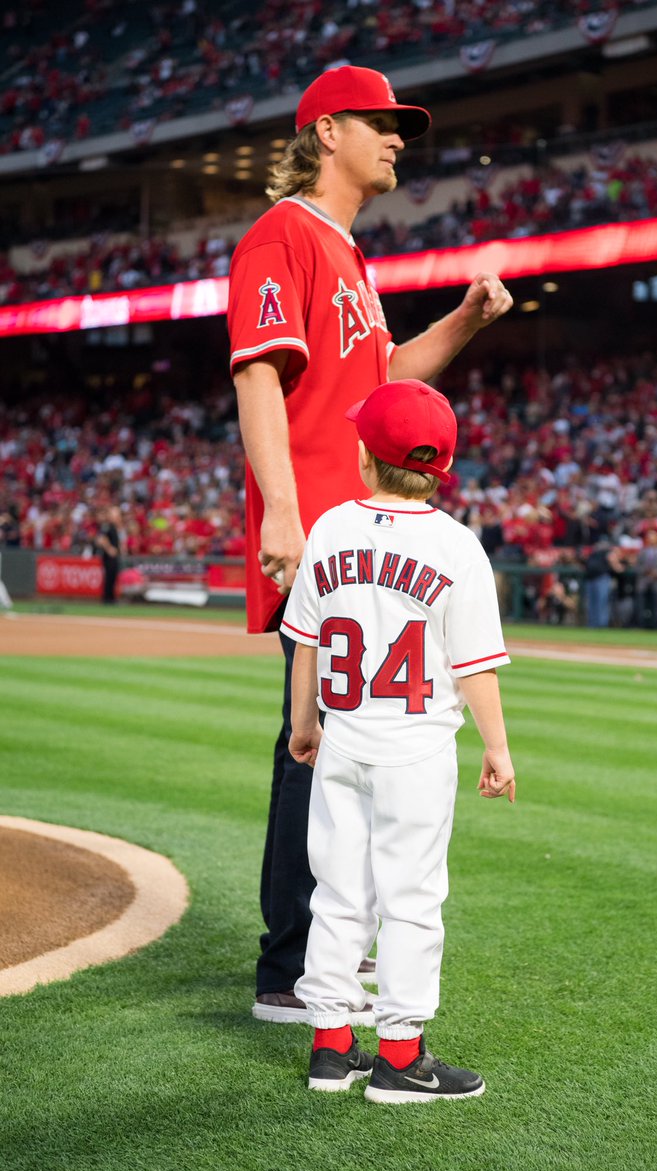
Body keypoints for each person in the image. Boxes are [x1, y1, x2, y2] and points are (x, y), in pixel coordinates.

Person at [227, 65, 514, 1022]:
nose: (397, 139)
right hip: (316, 529)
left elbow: (384, 377)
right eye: (380, 124)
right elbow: (260, 378)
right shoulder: (282, 237)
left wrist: (466, 321)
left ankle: (310, 960)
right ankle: (291, 969)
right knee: (313, 743)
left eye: (401, 127)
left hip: (348, 523)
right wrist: (279, 510)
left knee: (330, 741)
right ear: (325, 134)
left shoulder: (347, 254)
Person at [282, 379, 515, 1101]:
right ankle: (400, 1059)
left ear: (365, 457)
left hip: (343, 741)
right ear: (437, 466)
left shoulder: (328, 528)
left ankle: (330, 1046)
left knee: (338, 890)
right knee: (410, 900)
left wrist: (303, 725)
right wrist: (498, 748)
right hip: (414, 748)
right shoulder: (456, 546)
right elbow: (473, 667)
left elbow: (308, 643)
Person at [634, 529, 657, 629]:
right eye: (649, 537)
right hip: (644, 581)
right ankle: (640, 624)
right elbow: (637, 566)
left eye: (653, 537)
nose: (650, 539)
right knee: (640, 604)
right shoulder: (643, 551)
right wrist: (645, 571)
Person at [94, 506, 122, 605]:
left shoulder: (114, 527)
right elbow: (100, 539)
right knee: (109, 577)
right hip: (109, 557)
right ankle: (107, 599)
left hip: (114, 557)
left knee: (113, 577)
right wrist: (109, 548)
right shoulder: (107, 526)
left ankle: (111, 598)